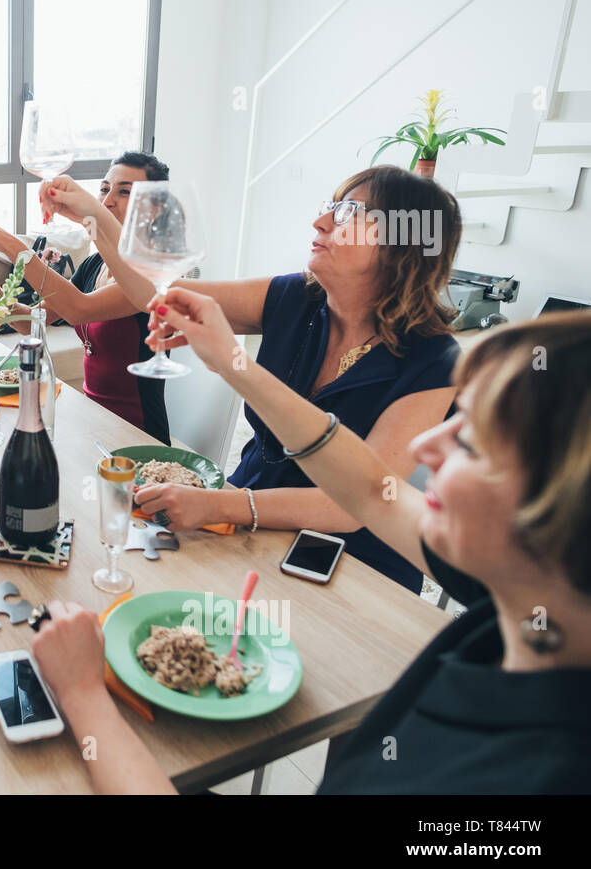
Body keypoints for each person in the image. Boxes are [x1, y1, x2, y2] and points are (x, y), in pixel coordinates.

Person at [31, 291, 591, 794]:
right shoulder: (528, 597)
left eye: (473, 439)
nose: (426, 447)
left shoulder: (537, 774)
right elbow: (370, 490)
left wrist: (83, 695)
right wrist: (230, 360)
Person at [39, 165, 461, 593]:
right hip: (241, 520)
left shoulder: (434, 360)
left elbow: (355, 504)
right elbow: (157, 295)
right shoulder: (296, 297)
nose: (320, 222)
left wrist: (222, 504)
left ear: (402, 243)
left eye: (348, 213)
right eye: (329, 207)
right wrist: (94, 217)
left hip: (353, 564)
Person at [0, 151, 172, 442]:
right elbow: (33, 321)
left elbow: (77, 309)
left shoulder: (151, 274)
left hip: (137, 435)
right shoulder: (95, 264)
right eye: (104, 189)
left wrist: (11, 245)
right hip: (92, 421)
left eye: (124, 192)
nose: (107, 201)